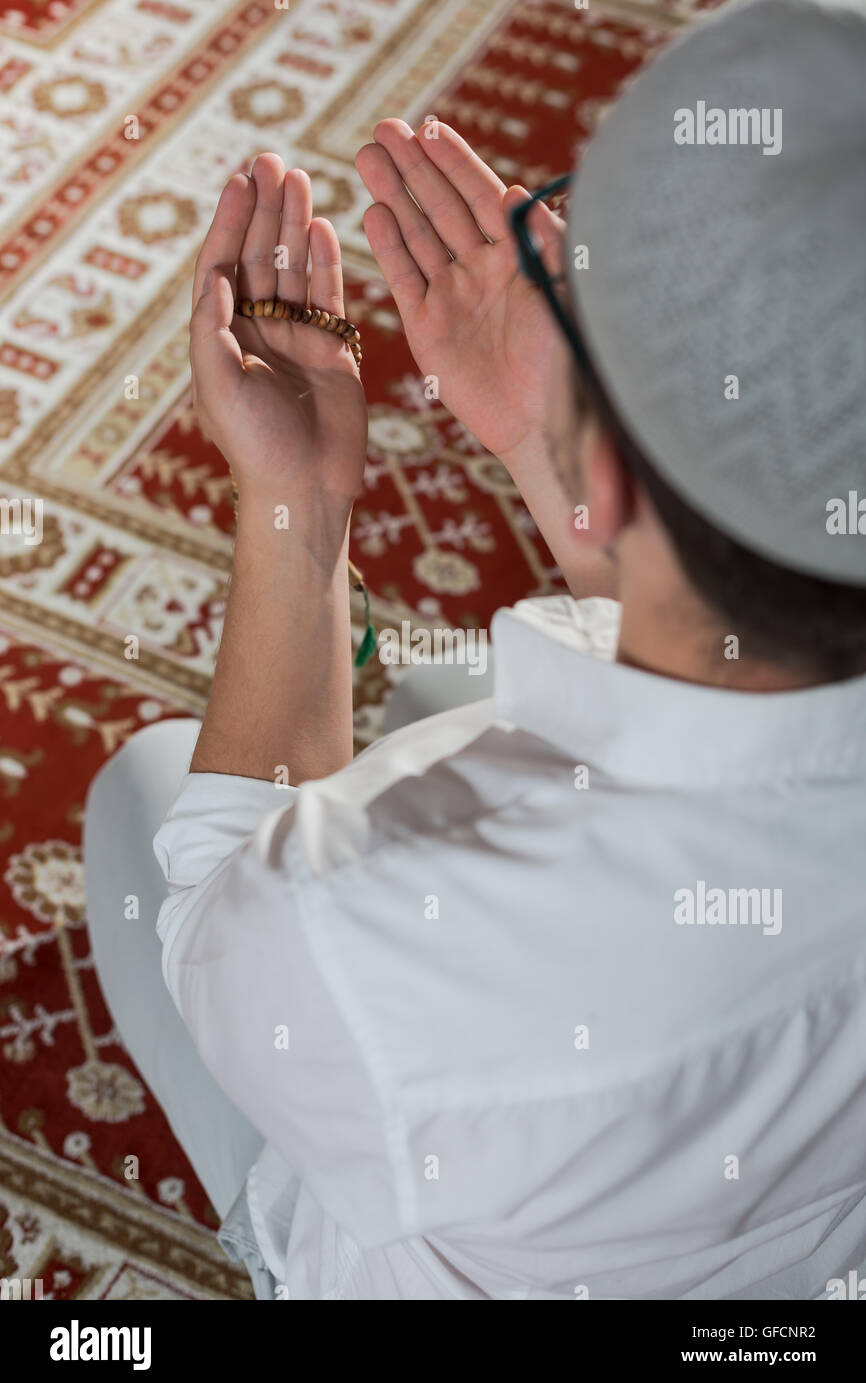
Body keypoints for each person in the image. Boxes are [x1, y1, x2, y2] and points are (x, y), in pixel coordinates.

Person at [84, 0, 866, 1300]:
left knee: (144, 803)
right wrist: (557, 449)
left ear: (608, 469)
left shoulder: (342, 932)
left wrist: (300, 504)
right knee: (451, 686)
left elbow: (229, 920)